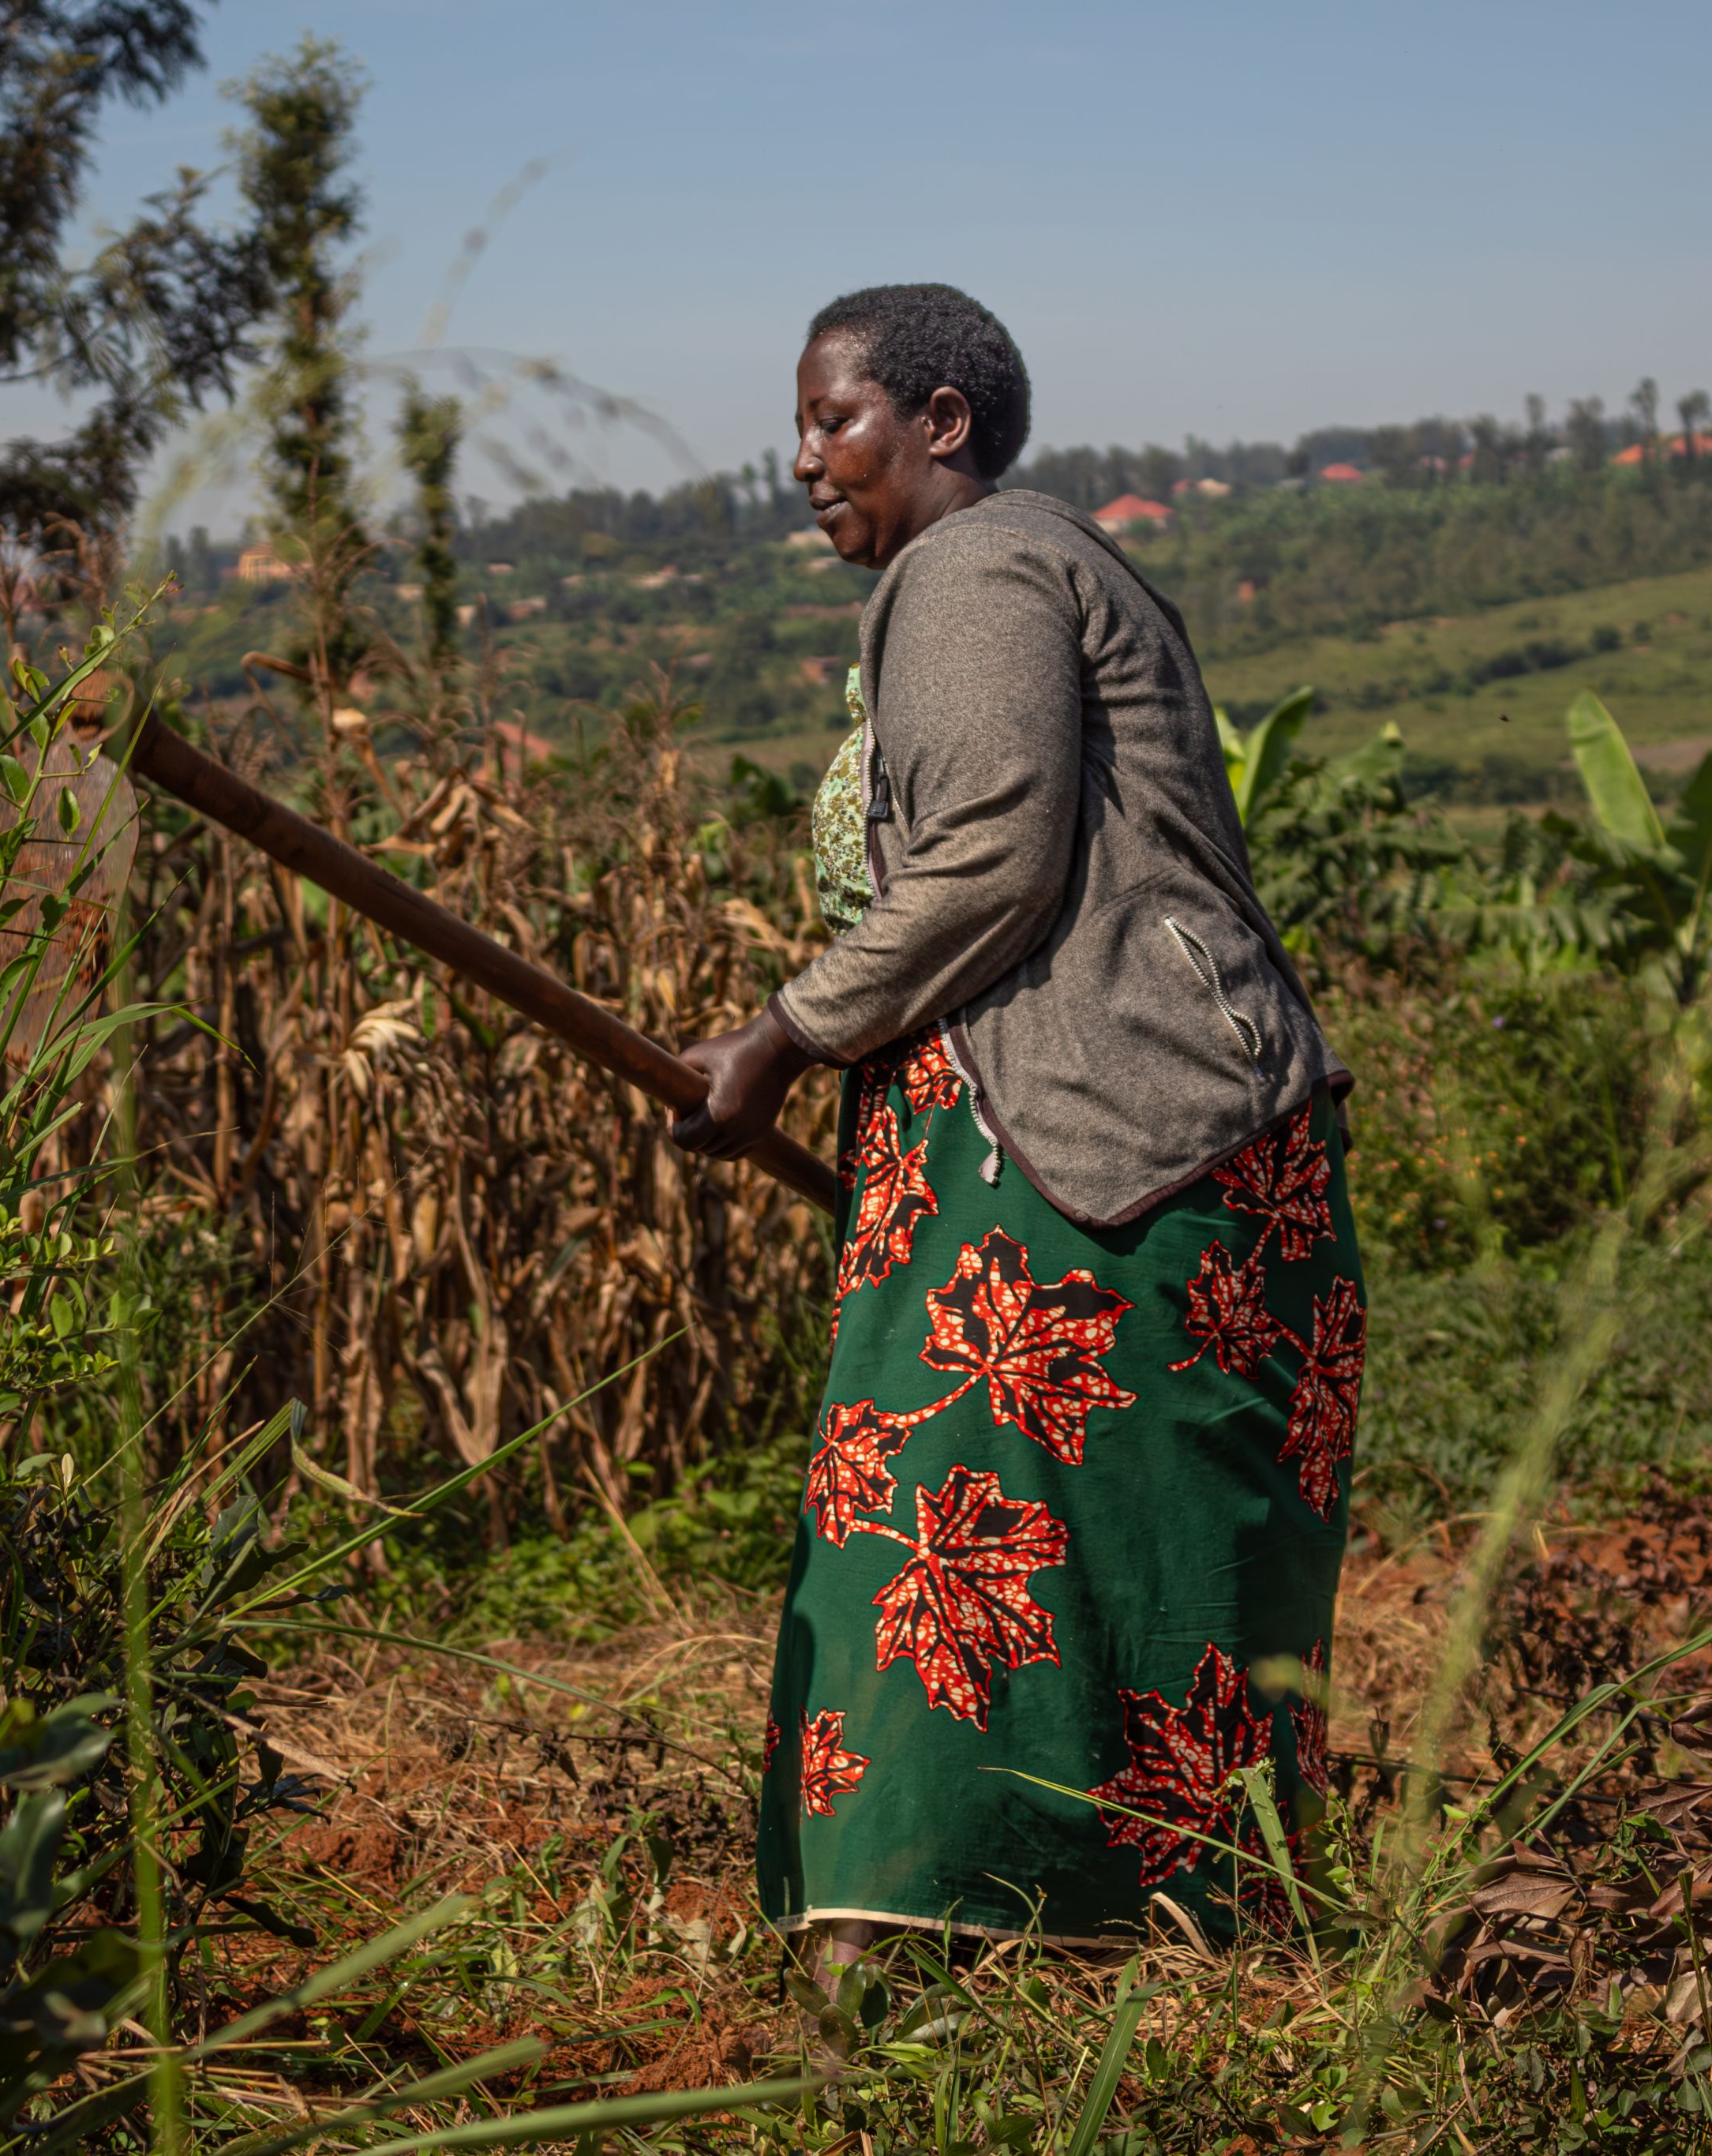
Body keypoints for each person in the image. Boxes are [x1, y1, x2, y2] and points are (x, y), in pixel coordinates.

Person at [672, 283, 1362, 1956]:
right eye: (800, 425)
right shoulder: (1037, 561)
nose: (803, 459)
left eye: (833, 418)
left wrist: (782, 1033)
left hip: (1102, 1152)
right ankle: (1131, 1934)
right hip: (1146, 1140)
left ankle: (898, 1931)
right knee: (1106, 1545)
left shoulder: (973, 566)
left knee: (939, 1528)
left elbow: (992, 853)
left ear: (940, 423)